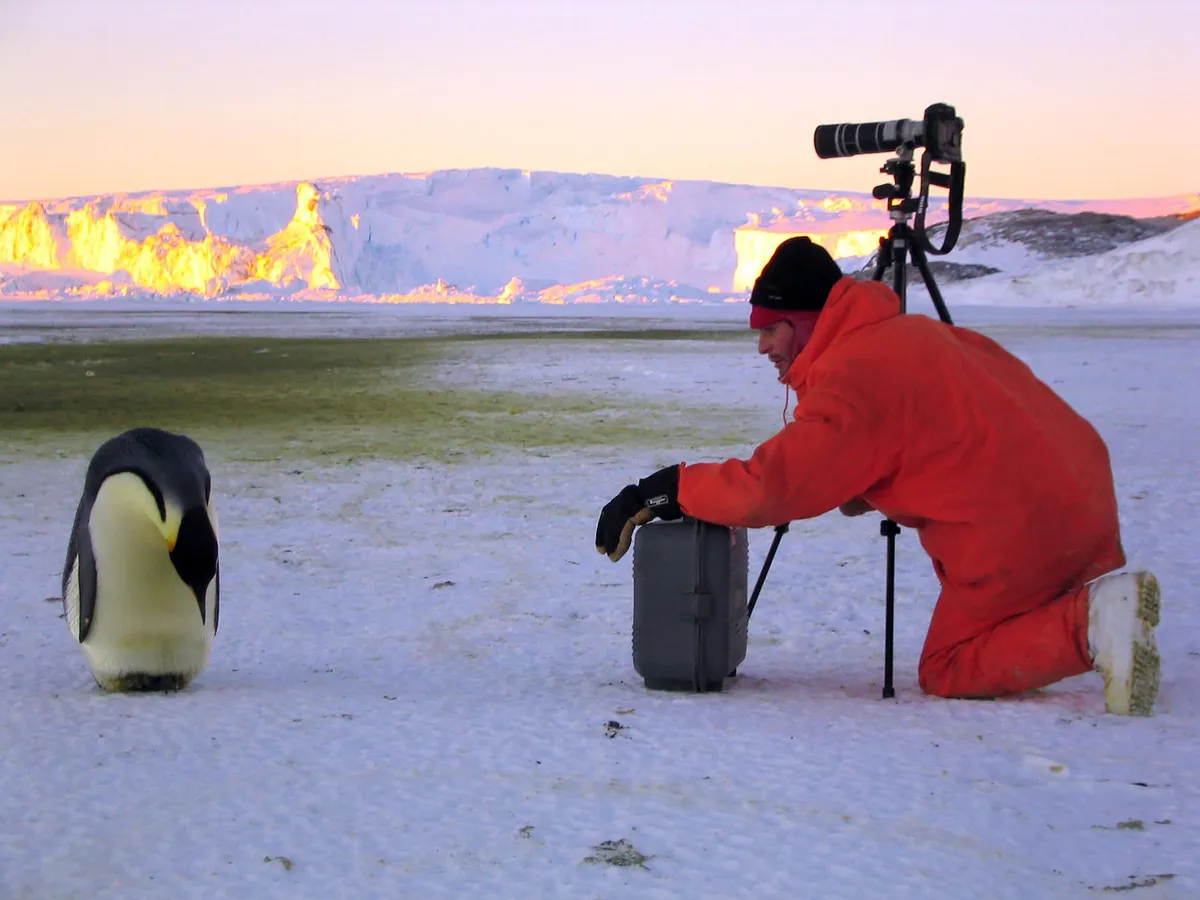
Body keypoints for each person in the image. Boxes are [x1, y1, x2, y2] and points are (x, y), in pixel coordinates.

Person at [594, 236, 1161, 716]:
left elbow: (771, 487)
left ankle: (1091, 624)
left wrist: (667, 488)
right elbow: (934, 432)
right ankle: (1090, 617)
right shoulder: (909, 335)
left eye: (770, 328)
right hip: (1076, 488)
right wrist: (865, 480)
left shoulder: (854, 374)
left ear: (806, 321)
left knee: (949, 665)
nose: (762, 346)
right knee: (1002, 618)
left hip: (1016, 526)